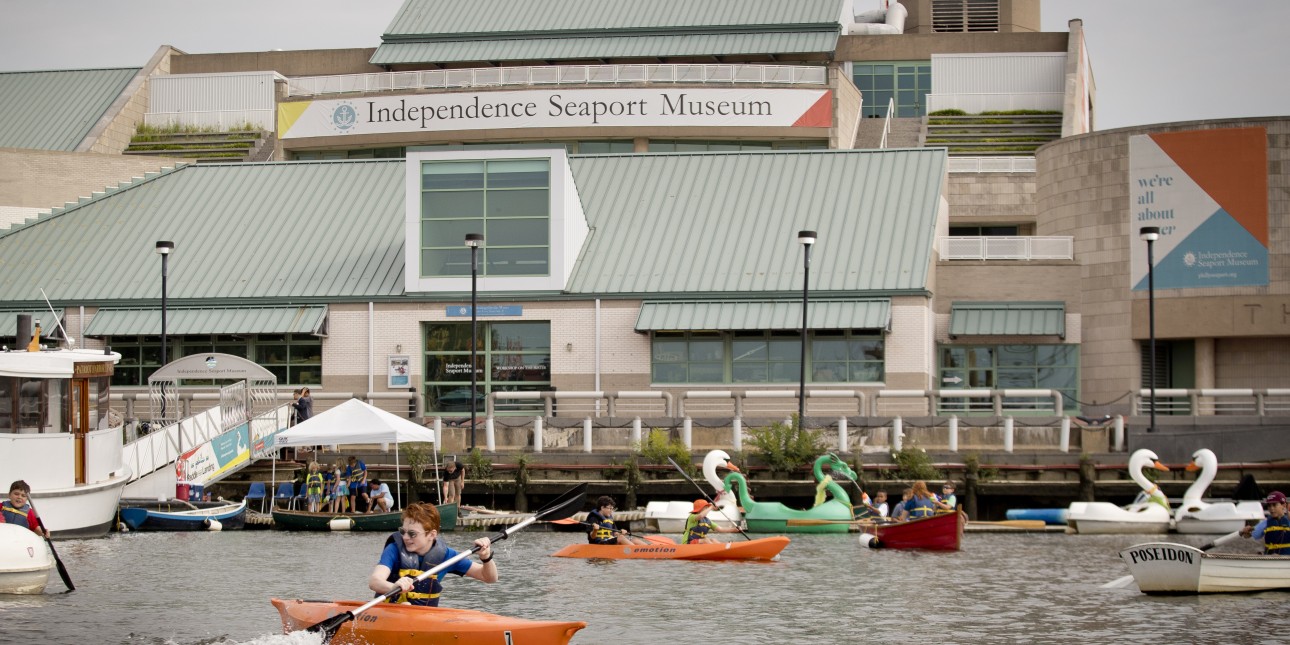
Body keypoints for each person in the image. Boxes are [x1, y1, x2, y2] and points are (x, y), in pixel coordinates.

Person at [368, 502, 496, 606]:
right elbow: (375, 581)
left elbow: (489, 578)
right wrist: (393, 587)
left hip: (423, 617)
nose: (405, 537)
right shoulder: (394, 549)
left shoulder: (447, 556)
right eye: (403, 531)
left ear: (431, 535)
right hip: (390, 611)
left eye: (412, 534)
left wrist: (486, 557)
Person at [585, 495, 650, 546]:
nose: (611, 511)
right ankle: (636, 551)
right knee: (621, 538)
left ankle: (650, 549)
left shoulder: (609, 519)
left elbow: (615, 533)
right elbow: (592, 537)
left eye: (612, 509)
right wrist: (595, 530)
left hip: (609, 540)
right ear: (602, 508)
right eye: (610, 508)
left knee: (634, 540)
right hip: (599, 543)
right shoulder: (593, 518)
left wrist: (621, 533)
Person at [1240, 490, 1289, 555]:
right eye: (1269, 505)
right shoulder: (1266, 523)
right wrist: (1247, 531)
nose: (1271, 508)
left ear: (1284, 505)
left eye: (1274, 505)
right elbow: (1249, 535)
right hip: (1270, 558)